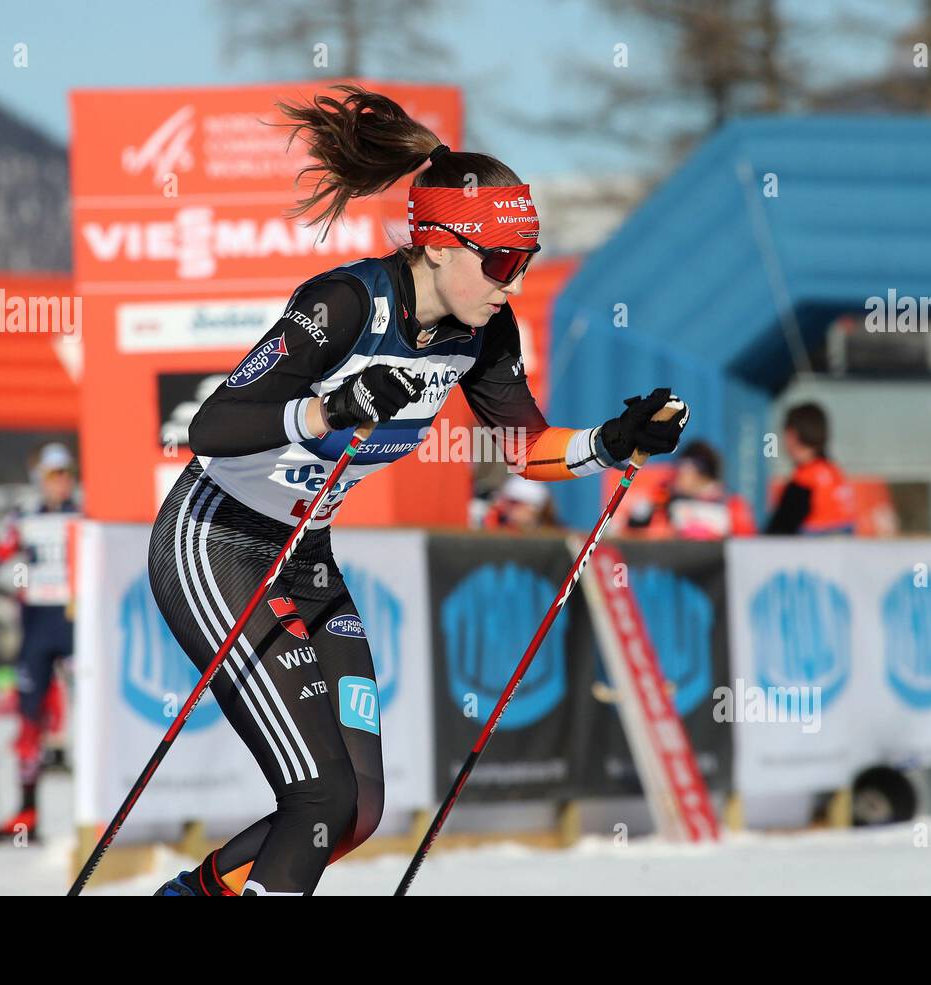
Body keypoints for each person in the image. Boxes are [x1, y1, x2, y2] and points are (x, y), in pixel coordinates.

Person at [146, 84, 688, 896]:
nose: (511, 281)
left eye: (525, 262)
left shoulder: (485, 331)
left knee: (357, 807)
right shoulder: (343, 306)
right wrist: (327, 408)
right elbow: (213, 427)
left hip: (304, 556)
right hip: (216, 539)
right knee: (319, 795)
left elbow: (526, 448)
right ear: (437, 244)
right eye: (499, 260)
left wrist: (612, 444)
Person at [0, 442, 81, 841]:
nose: (59, 483)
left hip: (74, 620)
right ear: (38, 479)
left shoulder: (84, 512)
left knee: (87, 712)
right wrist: (13, 579)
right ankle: (27, 811)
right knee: (28, 715)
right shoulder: (22, 518)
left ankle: (95, 811)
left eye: (65, 474)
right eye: (51, 475)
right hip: (38, 622)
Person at [764, 402, 855, 535]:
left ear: (792, 435)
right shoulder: (834, 472)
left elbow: (779, 532)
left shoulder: (804, 481)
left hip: (814, 552)